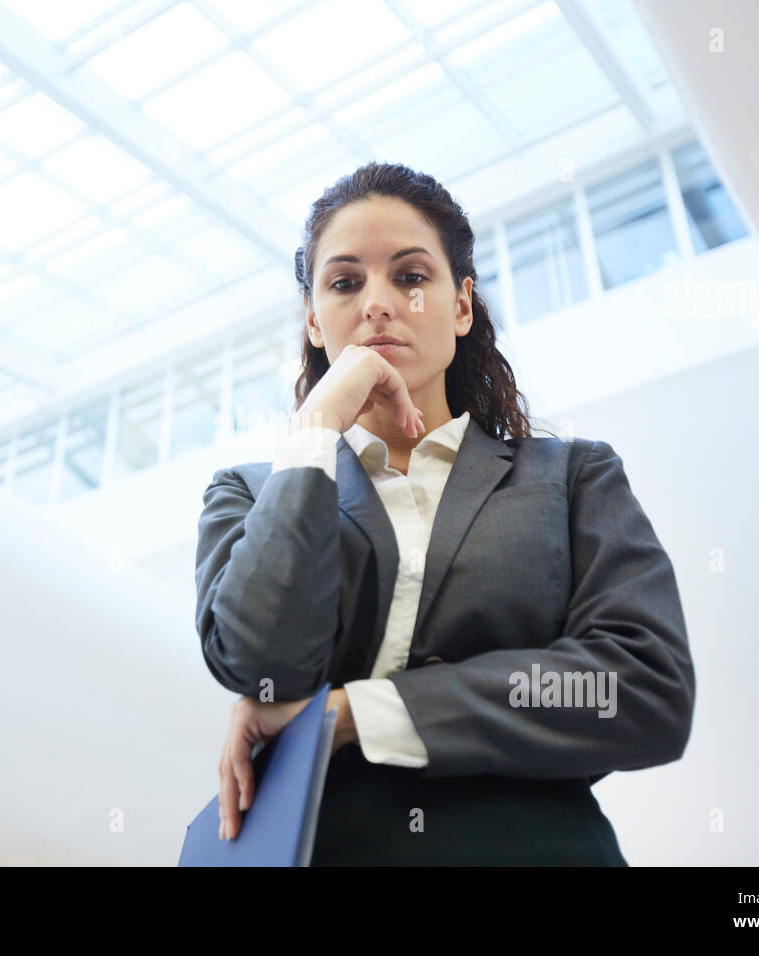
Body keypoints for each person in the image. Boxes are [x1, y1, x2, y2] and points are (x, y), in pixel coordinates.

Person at [193, 162, 695, 865]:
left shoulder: (573, 476)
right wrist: (315, 430)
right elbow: (262, 665)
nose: (377, 304)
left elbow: (644, 690)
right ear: (313, 319)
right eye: (344, 283)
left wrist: (352, 716)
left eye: (410, 277)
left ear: (461, 307)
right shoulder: (251, 493)